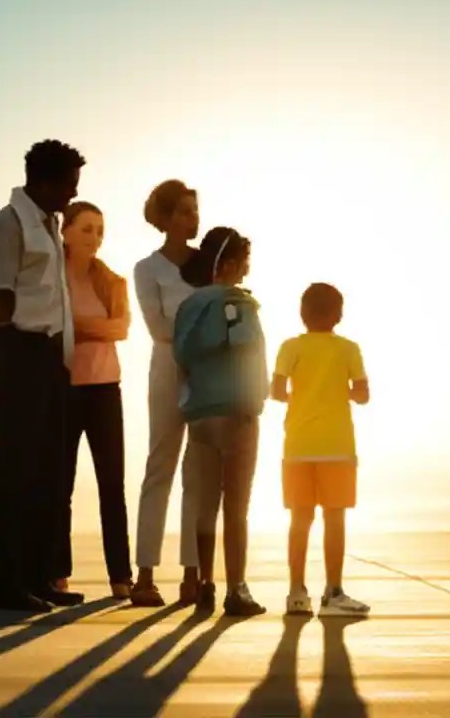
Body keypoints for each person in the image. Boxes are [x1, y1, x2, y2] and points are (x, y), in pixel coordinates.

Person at [0, 139, 87, 612]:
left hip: (48, 357)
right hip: (16, 349)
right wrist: (22, 345)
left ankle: (39, 578)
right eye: (69, 185)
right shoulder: (6, 225)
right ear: (44, 182)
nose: (73, 194)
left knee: (47, 472)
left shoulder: (49, 226)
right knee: (14, 470)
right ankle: (5, 585)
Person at [173, 227, 267, 616]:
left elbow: (182, 356)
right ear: (227, 264)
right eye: (244, 261)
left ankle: (205, 583)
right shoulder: (237, 304)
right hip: (235, 411)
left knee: (205, 505)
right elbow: (246, 356)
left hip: (200, 414)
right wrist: (256, 399)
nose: (247, 269)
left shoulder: (188, 306)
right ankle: (236, 589)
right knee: (237, 507)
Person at [271, 283, 371, 617]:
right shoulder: (349, 349)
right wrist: (337, 391)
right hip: (337, 447)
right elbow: (363, 394)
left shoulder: (290, 347)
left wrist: (303, 397)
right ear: (338, 315)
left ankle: (296, 592)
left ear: (303, 313)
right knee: (334, 519)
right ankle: (333, 592)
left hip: (298, 446)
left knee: (300, 519)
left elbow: (277, 391)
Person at [53, 201, 135, 600]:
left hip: (105, 389)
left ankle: (121, 577)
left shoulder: (112, 281)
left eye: (100, 230)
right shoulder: (50, 279)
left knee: (111, 485)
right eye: (86, 229)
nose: (95, 237)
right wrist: (96, 327)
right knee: (60, 485)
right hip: (64, 389)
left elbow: (121, 329)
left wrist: (78, 327)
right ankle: (57, 574)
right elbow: (54, 325)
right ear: (65, 231)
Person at [130, 179, 206, 607]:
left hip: (206, 374)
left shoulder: (207, 264)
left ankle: (193, 574)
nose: (193, 218)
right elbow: (157, 326)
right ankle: (145, 574)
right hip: (167, 371)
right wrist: (199, 334)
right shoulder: (147, 268)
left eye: (196, 210)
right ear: (166, 217)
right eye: (185, 211)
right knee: (160, 465)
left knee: (198, 471)